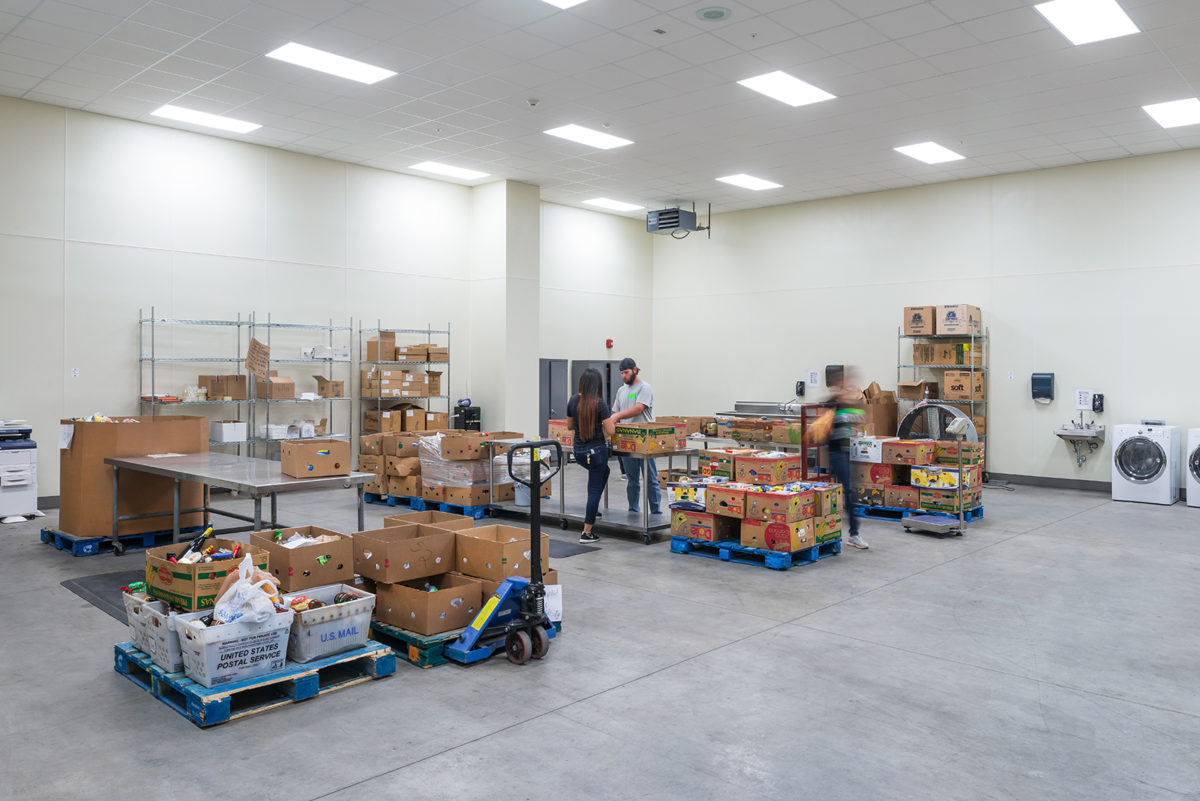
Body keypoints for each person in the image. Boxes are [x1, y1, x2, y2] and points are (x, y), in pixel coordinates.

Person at [566, 368, 615, 543]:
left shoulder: (573, 400)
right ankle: (586, 533)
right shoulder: (600, 404)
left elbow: (570, 426)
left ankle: (592, 509)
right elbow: (611, 430)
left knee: (605, 472)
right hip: (597, 453)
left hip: (579, 453)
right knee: (593, 490)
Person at [610, 357, 661, 516]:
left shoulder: (644, 388)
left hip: (644, 439)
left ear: (635, 370)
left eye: (626, 372)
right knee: (632, 480)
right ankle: (633, 510)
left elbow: (639, 408)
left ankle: (656, 511)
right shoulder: (621, 390)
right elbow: (615, 413)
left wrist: (617, 416)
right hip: (626, 439)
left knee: (650, 478)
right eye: (621, 373)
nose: (624, 376)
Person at [825, 364, 869, 550]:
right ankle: (853, 534)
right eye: (846, 382)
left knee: (852, 492)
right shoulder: (831, 402)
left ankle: (852, 532)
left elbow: (860, 419)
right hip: (836, 453)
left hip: (848, 452)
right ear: (837, 383)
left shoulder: (847, 402)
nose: (849, 385)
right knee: (849, 492)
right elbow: (824, 428)